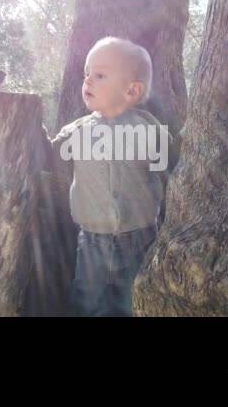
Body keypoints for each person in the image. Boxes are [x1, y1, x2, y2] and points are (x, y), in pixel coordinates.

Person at [51, 36, 174, 316]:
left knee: (133, 300)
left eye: (100, 75)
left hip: (140, 237)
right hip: (92, 239)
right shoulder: (76, 131)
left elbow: (168, 172)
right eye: (86, 74)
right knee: (87, 300)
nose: (88, 81)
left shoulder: (148, 129)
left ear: (131, 91)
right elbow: (48, 152)